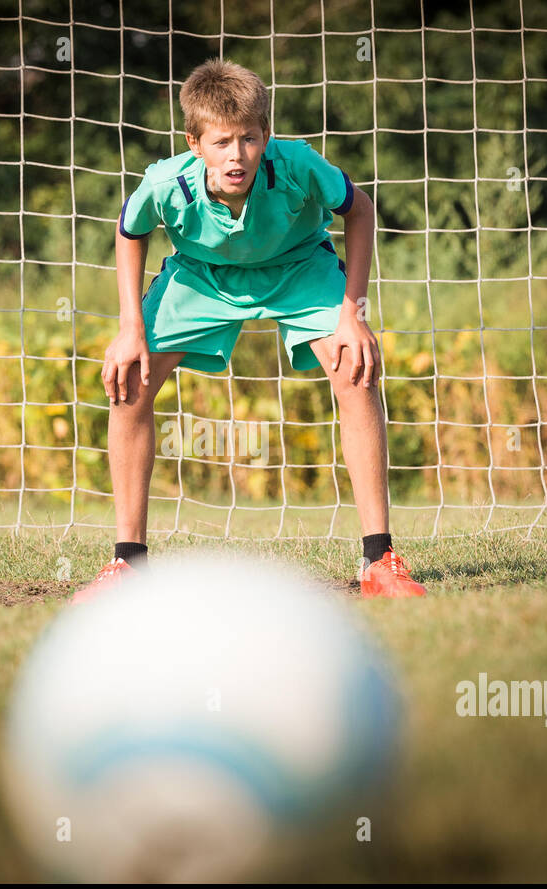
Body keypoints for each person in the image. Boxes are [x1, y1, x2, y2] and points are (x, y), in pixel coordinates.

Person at [74, 58, 424, 604]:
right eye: (221, 142)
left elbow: (360, 211)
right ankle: (128, 564)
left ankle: (379, 561)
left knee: (357, 372)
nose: (236, 155)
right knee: (130, 381)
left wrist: (352, 313)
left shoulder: (299, 164)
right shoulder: (166, 181)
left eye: (249, 139)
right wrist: (129, 327)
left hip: (298, 268)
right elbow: (130, 230)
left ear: (267, 136)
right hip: (201, 276)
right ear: (194, 141)